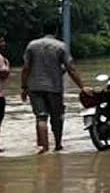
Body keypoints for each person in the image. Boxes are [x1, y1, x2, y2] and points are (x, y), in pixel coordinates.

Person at [21, 21, 85, 153]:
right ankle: (58, 145)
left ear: (42, 31)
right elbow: (71, 69)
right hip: (54, 87)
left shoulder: (32, 45)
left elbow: (26, 68)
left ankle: (43, 147)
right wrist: (82, 87)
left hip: (35, 87)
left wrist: (24, 87)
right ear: (56, 31)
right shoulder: (61, 46)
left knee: (41, 117)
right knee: (57, 117)